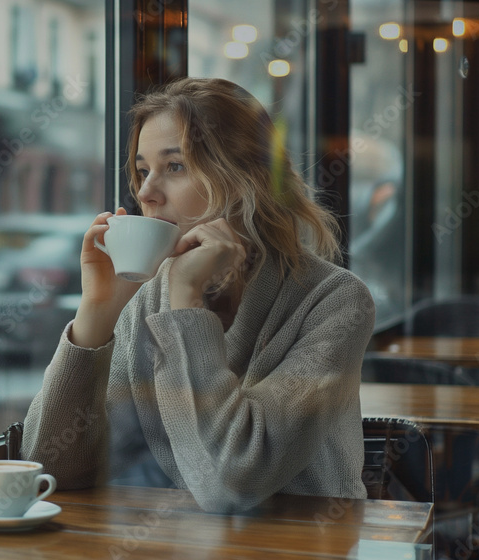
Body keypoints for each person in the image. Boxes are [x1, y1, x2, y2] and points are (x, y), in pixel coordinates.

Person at [20, 77, 375, 513]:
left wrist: (186, 302)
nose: (145, 193)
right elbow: (48, 469)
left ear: (246, 178)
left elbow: (230, 485)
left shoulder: (335, 301)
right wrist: (97, 312)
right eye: (143, 169)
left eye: (175, 166)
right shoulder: (146, 297)